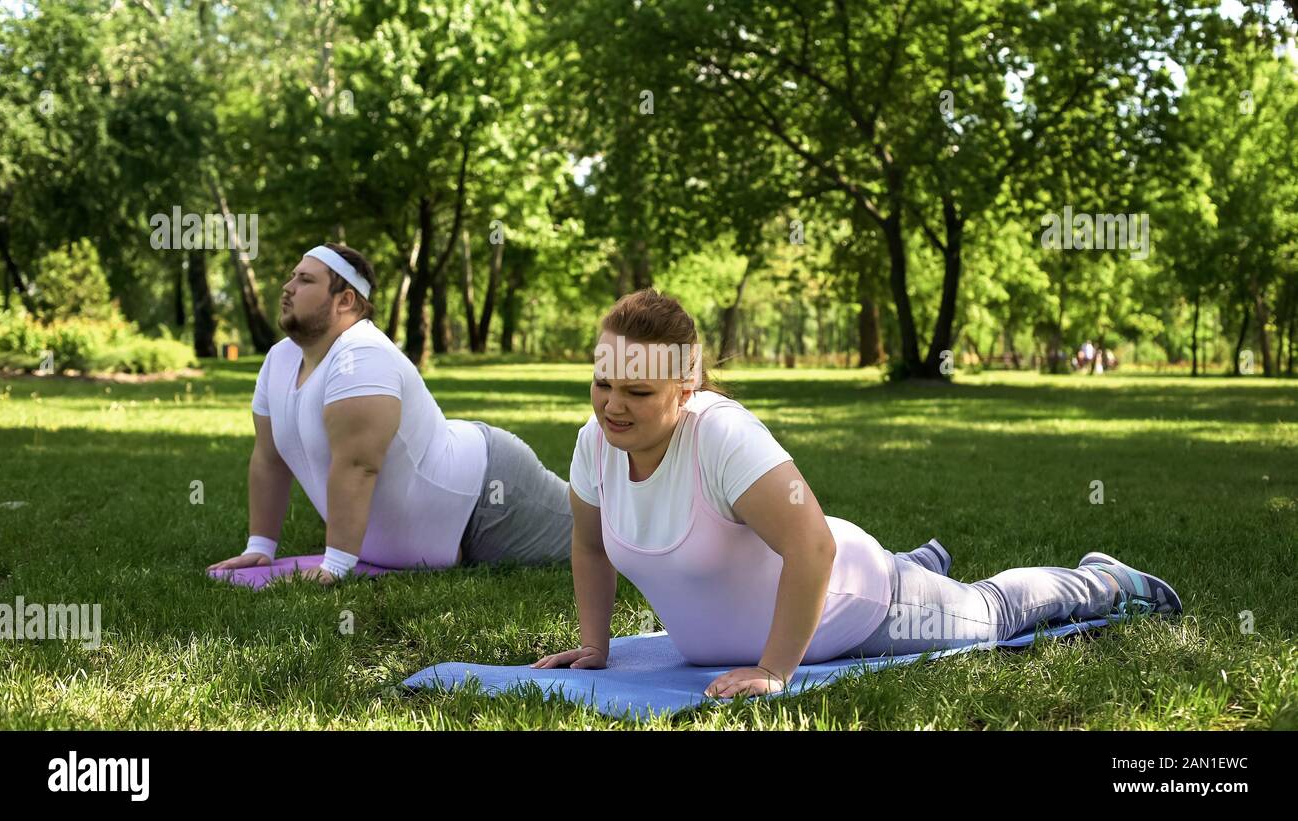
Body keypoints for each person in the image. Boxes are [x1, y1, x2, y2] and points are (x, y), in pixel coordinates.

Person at [532, 289, 1182, 698]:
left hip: (852, 603)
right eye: (604, 382)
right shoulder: (597, 441)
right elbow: (590, 547)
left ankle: (1103, 580)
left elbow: (811, 547)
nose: (613, 405)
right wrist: (595, 646)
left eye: (638, 392)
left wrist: (776, 670)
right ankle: (915, 563)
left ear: (685, 389)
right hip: (794, 589)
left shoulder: (722, 436)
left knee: (990, 614)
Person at [207, 243, 571, 584]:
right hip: (449, 518)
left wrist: (335, 566)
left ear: (345, 300)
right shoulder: (279, 360)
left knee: (605, 534)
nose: (288, 287)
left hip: (489, 495)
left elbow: (358, 465)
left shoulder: (361, 355)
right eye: (293, 276)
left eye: (305, 280)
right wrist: (260, 547)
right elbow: (268, 458)